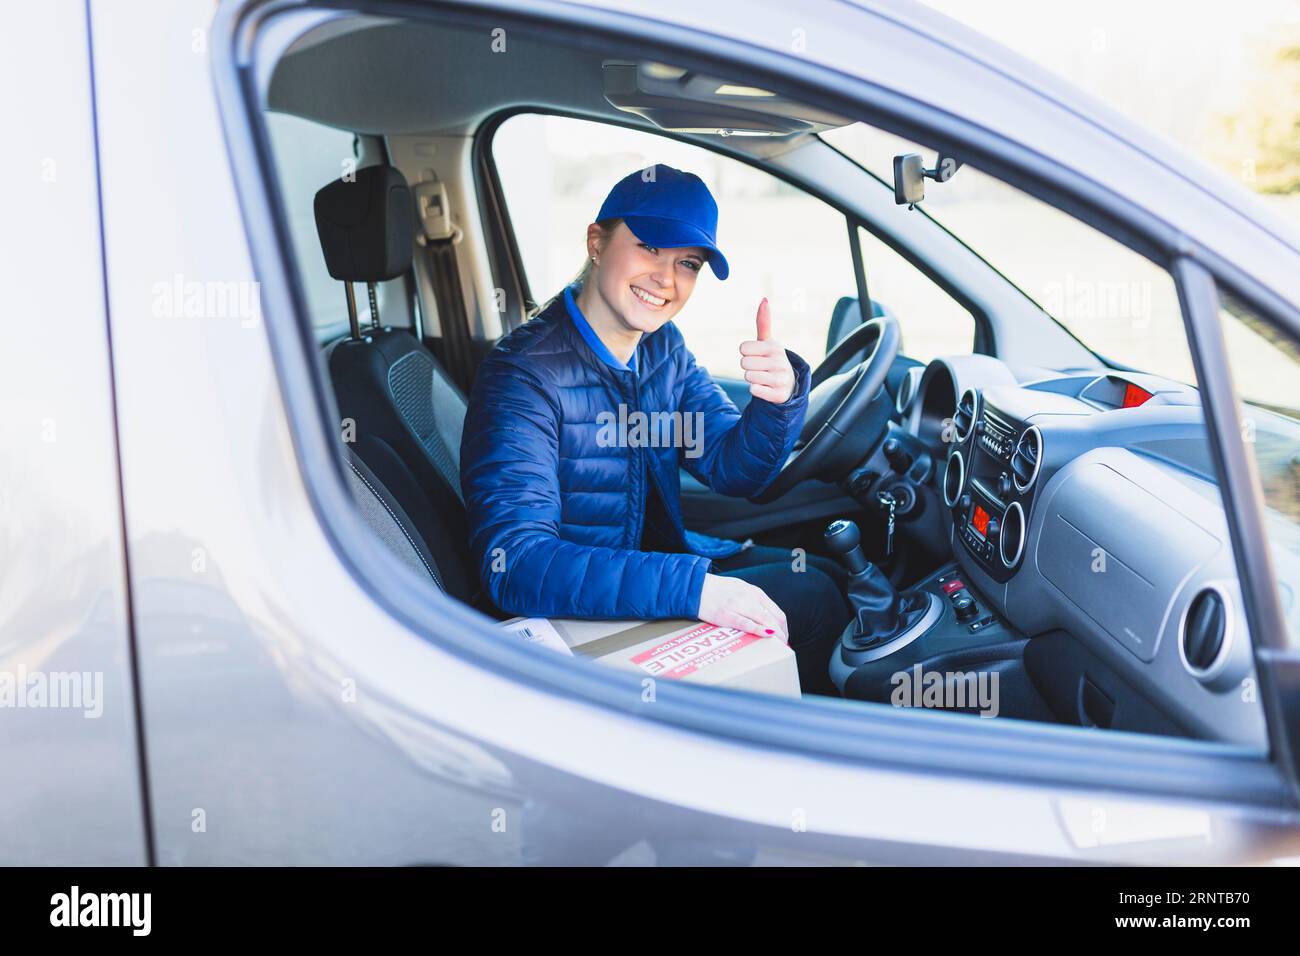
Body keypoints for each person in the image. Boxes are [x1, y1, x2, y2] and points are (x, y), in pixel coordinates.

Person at [460, 164, 849, 695]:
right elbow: (517, 565)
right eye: (648, 248)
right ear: (597, 243)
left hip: (651, 567)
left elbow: (732, 469)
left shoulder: (661, 348)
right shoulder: (523, 375)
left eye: (686, 263)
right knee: (814, 599)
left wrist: (777, 403)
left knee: (825, 574)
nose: (666, 280)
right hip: (573, 612)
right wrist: (693, 591)